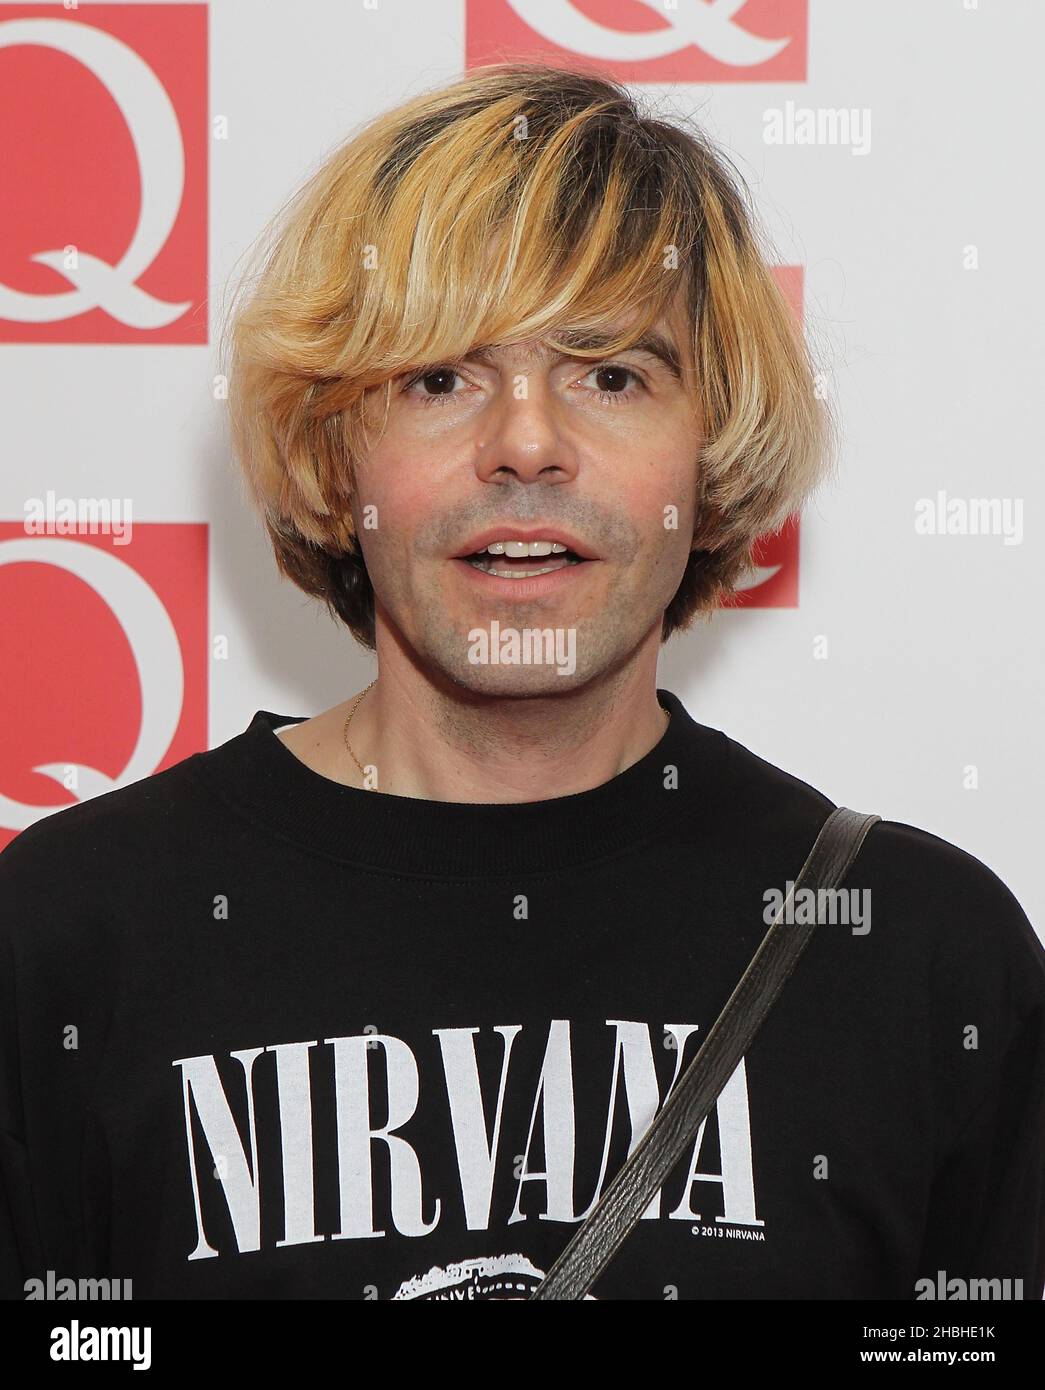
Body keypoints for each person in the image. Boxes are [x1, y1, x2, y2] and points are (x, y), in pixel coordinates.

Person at [2, 63, 1042, 1303]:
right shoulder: (69, 937)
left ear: (712, 453)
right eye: (439, 377)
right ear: (333, 458)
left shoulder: (919, 952)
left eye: (611, 373)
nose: (528, 443)